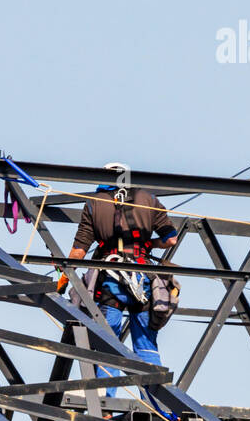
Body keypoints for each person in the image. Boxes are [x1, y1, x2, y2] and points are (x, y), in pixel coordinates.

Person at [59, 167, 178, 395]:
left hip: (110, 281)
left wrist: (64, 277)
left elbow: (78, 251)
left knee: (107, 340)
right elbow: (170, 239)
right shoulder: (148, 199)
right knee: (146, 342)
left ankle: (105, 403)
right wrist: (147, 245)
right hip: (143, 280)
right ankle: (157, 403)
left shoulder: (94, 202)